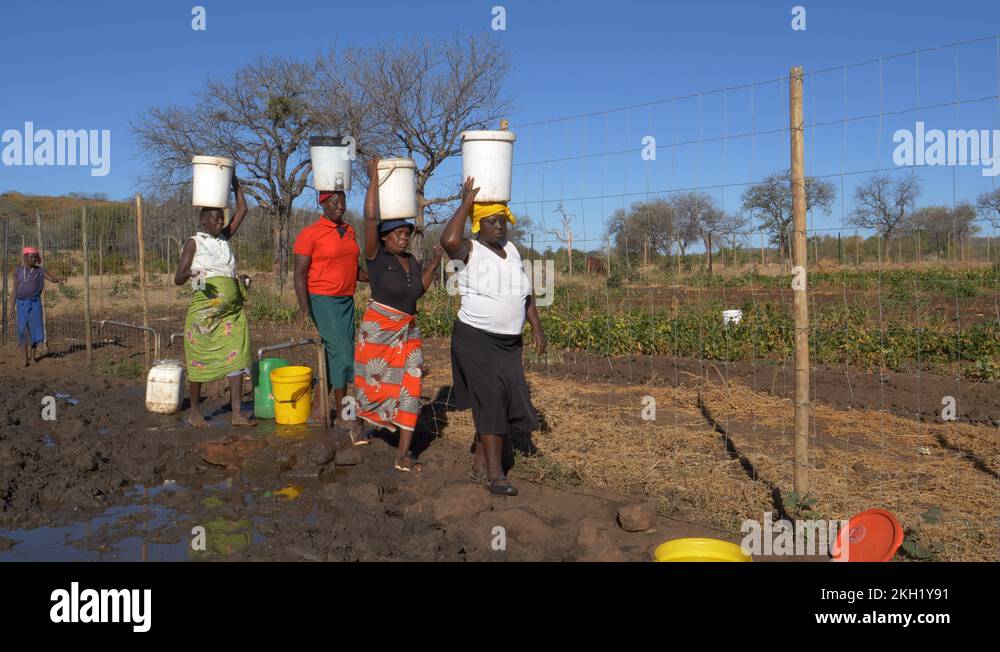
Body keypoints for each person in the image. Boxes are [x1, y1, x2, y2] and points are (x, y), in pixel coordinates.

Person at [440, 177, 546, 496]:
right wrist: (466, 202)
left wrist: (536, 327)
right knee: (490, 403)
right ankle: (495, 474)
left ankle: (479, 463)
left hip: (508, 345)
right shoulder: (468, 249)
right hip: (475, 339)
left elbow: (525, 294)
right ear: (478, 224)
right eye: (492, 221)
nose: (499, 227)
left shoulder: (511, 251)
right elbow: (447, 240)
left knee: (504, 400)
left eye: (502, 221)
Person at [354, 157, 445, 472]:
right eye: (396, 233)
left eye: (406, 232)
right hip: (378, 333)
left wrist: (434, 262)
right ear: (383, 238)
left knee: (412, 387)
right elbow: (369, 218)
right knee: (372, 386)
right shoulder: (376, 257)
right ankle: (358, 423)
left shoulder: (411, 260)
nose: (403, 236)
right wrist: (373, 180)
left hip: (408, 334)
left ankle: (403, 455)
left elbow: (417, 292)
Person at [174, 175, 254, 427]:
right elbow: (178, 277)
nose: (220, 222)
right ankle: (195, 411)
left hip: (230, 312)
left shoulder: (223, 239)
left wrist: (235, 184)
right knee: (198, 357)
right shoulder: (193, 243)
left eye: (222, 218)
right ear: (203, 221)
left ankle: (237, 413)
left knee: (238, 355)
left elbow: (243, 209)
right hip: (205, 312)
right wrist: (190, 274)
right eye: (215, 218)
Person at [292, 172, 368, 432]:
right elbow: (300, 272)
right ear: (322, 204)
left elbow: (354, 268)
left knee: (332, 352)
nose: (340, 207)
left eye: (343, 202)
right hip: (323, 299)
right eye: (334, 203)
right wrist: (304, 307)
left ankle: (316, 409)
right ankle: (343, 414)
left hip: (346, 300)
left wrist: (381, 278)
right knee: (344, 355)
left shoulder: (349, 231)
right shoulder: (311, 234)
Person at [11, 247, 61, 366]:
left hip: (34, 303)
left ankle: (33, 358)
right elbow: (14, 290)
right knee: (23, 330)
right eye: (31, 257)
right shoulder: (18, 271)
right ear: (25, 257)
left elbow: (51, 279)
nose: (33, 259)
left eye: (35, 257)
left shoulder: (40, 271)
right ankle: (25, 359)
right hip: (21, 304)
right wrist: (11, 307)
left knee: (34, 329)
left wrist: (59, 279)